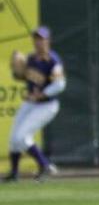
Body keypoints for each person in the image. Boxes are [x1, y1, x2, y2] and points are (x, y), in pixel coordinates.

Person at [4, 26, 64, 182]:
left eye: (42, 39)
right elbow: (26, 78)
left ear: (48, 41)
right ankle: (14, 173)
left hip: (47, 105)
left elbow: (60, 84)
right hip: (30, 103)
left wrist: (43, 93)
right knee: (13, 138)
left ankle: (45, 165)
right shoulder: (31, 59)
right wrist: (18, 73)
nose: (39, 42)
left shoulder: (53, 61)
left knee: (22, 137)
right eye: (36, 39)